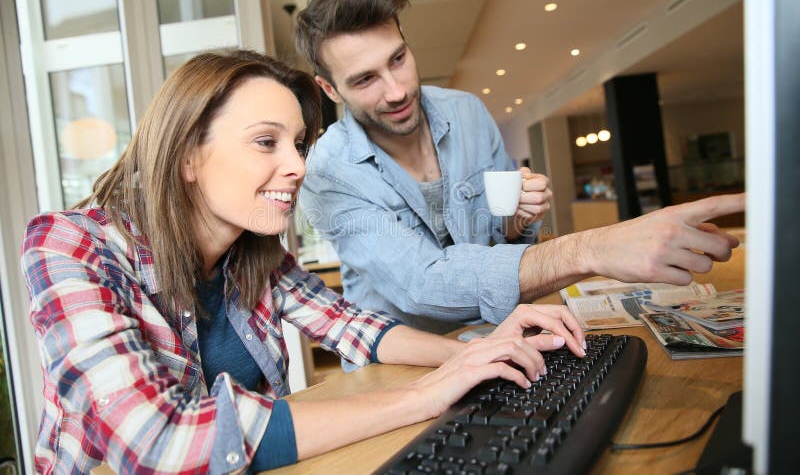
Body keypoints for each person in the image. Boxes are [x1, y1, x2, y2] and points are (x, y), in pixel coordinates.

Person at [21, 50, 586, 473]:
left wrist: (476, 353)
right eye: (267, 142)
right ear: (188, 155)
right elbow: (164, 439)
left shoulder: (253, 253)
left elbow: (352, 326)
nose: (297, 167)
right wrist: (425, 394)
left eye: (299, 144)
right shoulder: (68, 248)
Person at [295, 0, 745, 336]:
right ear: (330, 90)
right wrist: (592, 247)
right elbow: (422, 284)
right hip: (402, 361)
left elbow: (503, 239)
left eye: (397, 59)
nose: (396, 91)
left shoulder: (466, 112)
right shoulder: (327, 171)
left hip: (497, 331)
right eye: (365, 79)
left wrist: (517, 221)